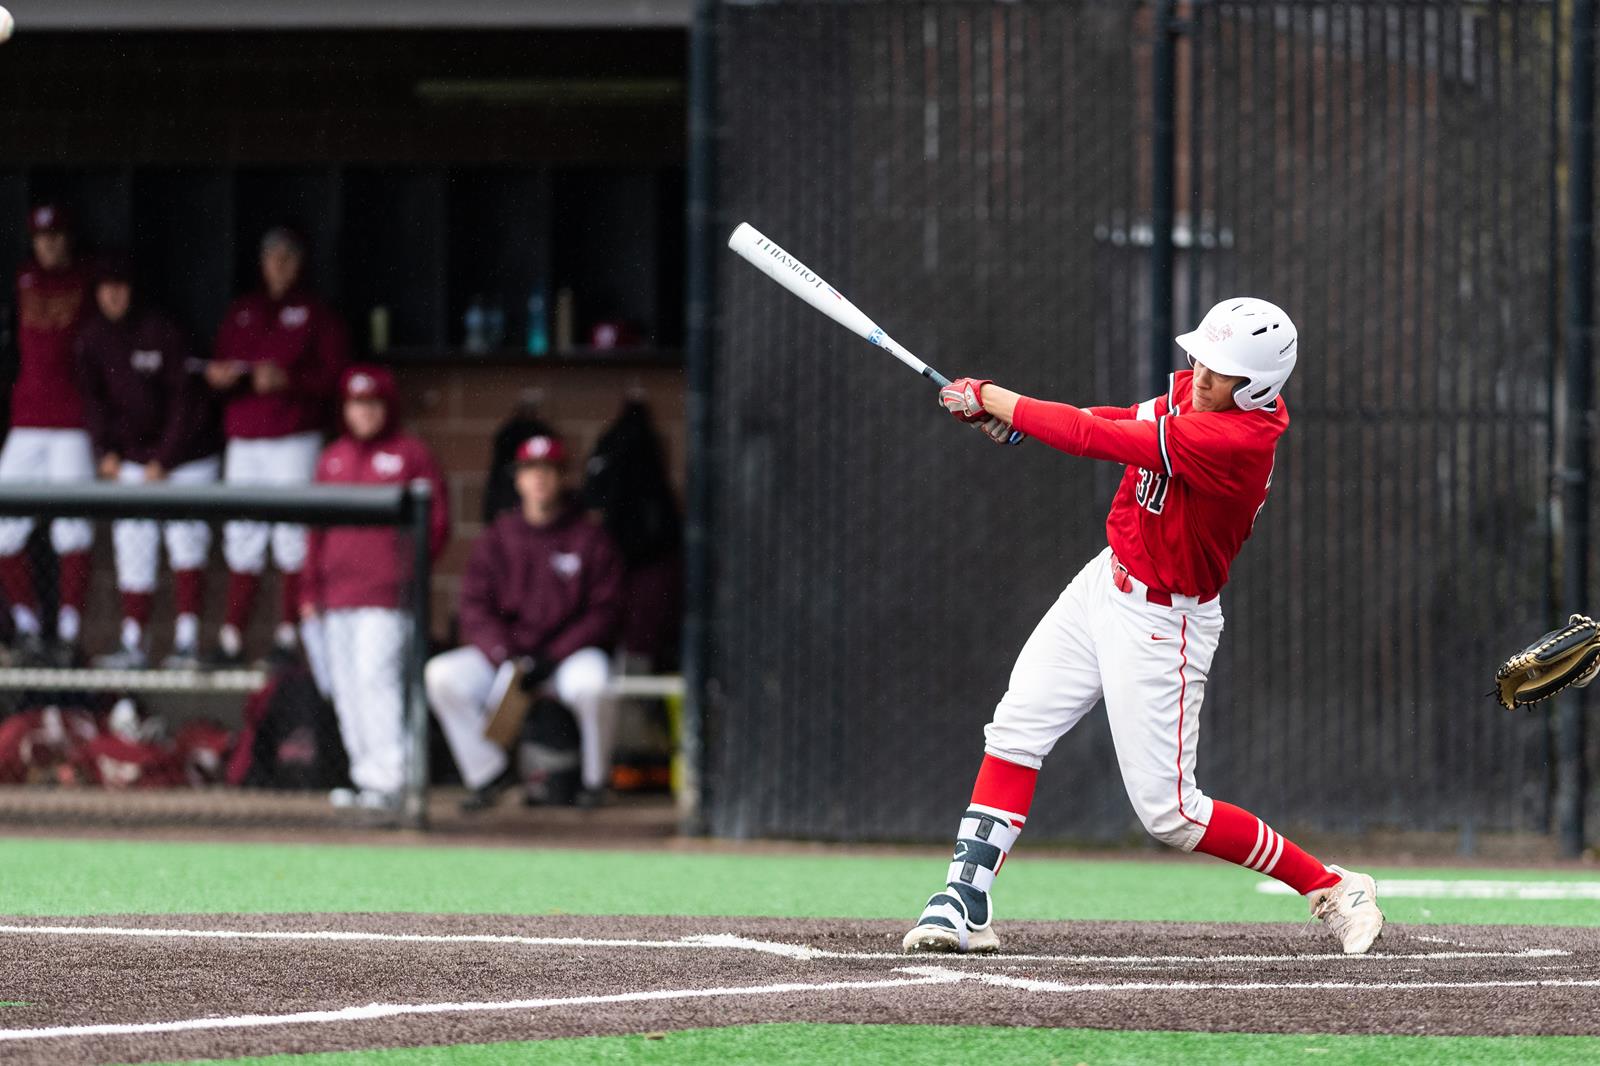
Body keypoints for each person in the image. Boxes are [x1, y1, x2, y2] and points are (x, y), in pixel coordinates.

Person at [903, 298, 1385, 957]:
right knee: (1017, 727)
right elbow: (1118, 420)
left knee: (1172, 815)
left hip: (1164, 621)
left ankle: (1330, 885)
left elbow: (1091, 439)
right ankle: (964, 899)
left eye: (1220, 371)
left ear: (1259, 386)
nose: (1201, 374)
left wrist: (992, 395)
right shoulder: (1200, 392)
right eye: (1203, 359)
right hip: (1106, 580)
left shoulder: (1235, 441)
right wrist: (1012, 421)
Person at [426, 432, 624, 811]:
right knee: (442, 675)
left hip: (567, 657)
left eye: (548, 470)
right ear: (517, 479)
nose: (539, 478)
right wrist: (505, 655)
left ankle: (595, 783)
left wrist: (553, 656)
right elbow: (474, 607)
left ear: (563, 477)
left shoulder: (588, 537)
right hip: (510, 658)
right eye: (531, 470)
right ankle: (489, 774)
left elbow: (605, 610)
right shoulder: (496, 538)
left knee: (595, 686)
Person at [300, 365, 448, 810]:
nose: (364, 412)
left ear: (387, 406)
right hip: (335, 595)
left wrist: (407, 572)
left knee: (375, 679)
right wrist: (309, 591)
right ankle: (368, 778)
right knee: (345, 687)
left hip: (386, 596)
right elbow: (315, 531)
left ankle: (394, 778)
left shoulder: (410, 454)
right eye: (356, 403)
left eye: (372, 403)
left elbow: (437, 522)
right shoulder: (333, 457)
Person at [207, 227, 347, 665]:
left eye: (287, 258)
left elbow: (336, 377)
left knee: (291, 537)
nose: (279, 266)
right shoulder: (243, 311)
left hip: (292, 436)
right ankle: (232, 638)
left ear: (300, 262)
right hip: (246, 439)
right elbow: (217, 366)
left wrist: (289, 379)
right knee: (242, 536)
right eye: (272, 258)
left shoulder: (315, 313)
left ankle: (288, 636)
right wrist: (222, 376)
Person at [74, 255, 222, 669]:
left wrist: (165, 459)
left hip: (187, 458)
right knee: (133, 545)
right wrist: (104, 452)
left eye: (121, 286)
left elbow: (186, 402)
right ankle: (134, 642)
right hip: (135, 459)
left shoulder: (163, 330)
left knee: (185, 544)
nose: (114, 295)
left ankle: (189, 642)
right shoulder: (93, 338)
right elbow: (93, 401)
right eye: (107, 287)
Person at [0, 204, 94, 667]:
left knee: (73, 530)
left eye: (57, 235)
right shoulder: (21, 277)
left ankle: (69, 634)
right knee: (3, 529)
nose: (50, 244)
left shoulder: (86, 280)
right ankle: (28, 627)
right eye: (42, 236)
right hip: (26, 419)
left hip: (73, 421)